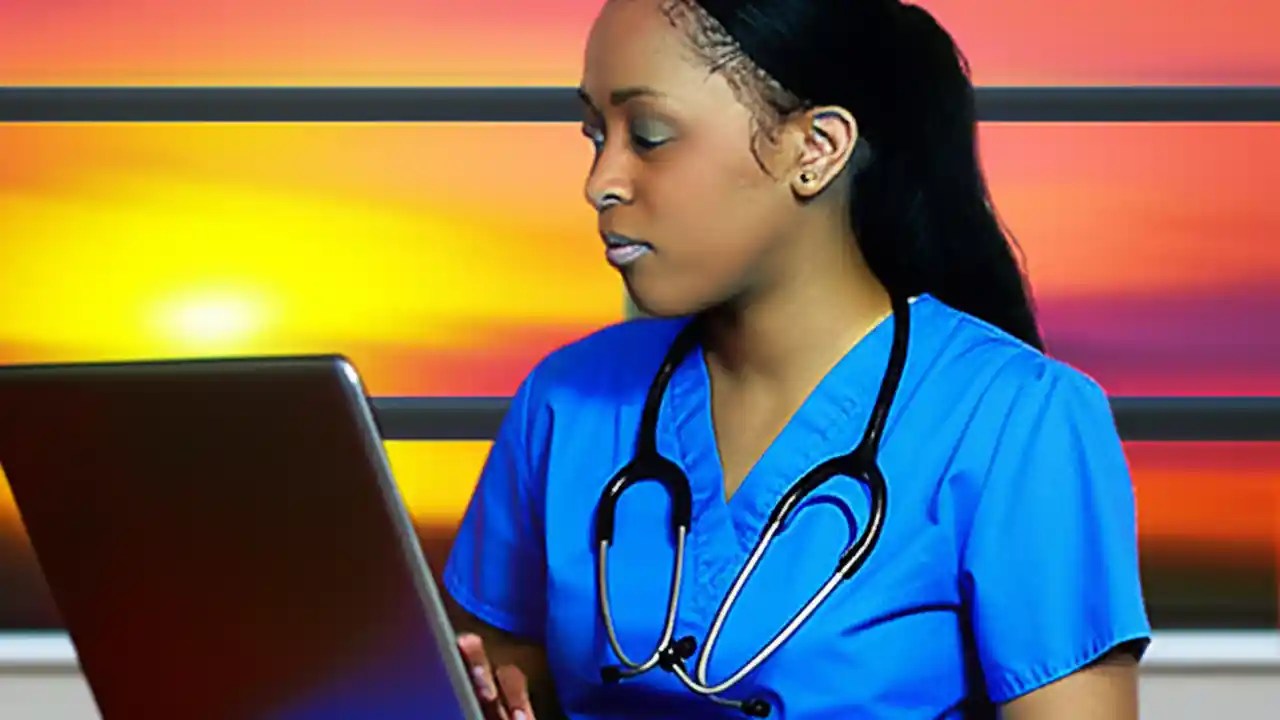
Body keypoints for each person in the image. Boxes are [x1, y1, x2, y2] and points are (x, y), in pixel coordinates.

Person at [441, 0, 1151, 717]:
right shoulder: (567, 402)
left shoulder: (1019, 419)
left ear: (815, 150)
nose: (602, 182)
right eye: (596, 134)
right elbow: (489, 681)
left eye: (650, 136)